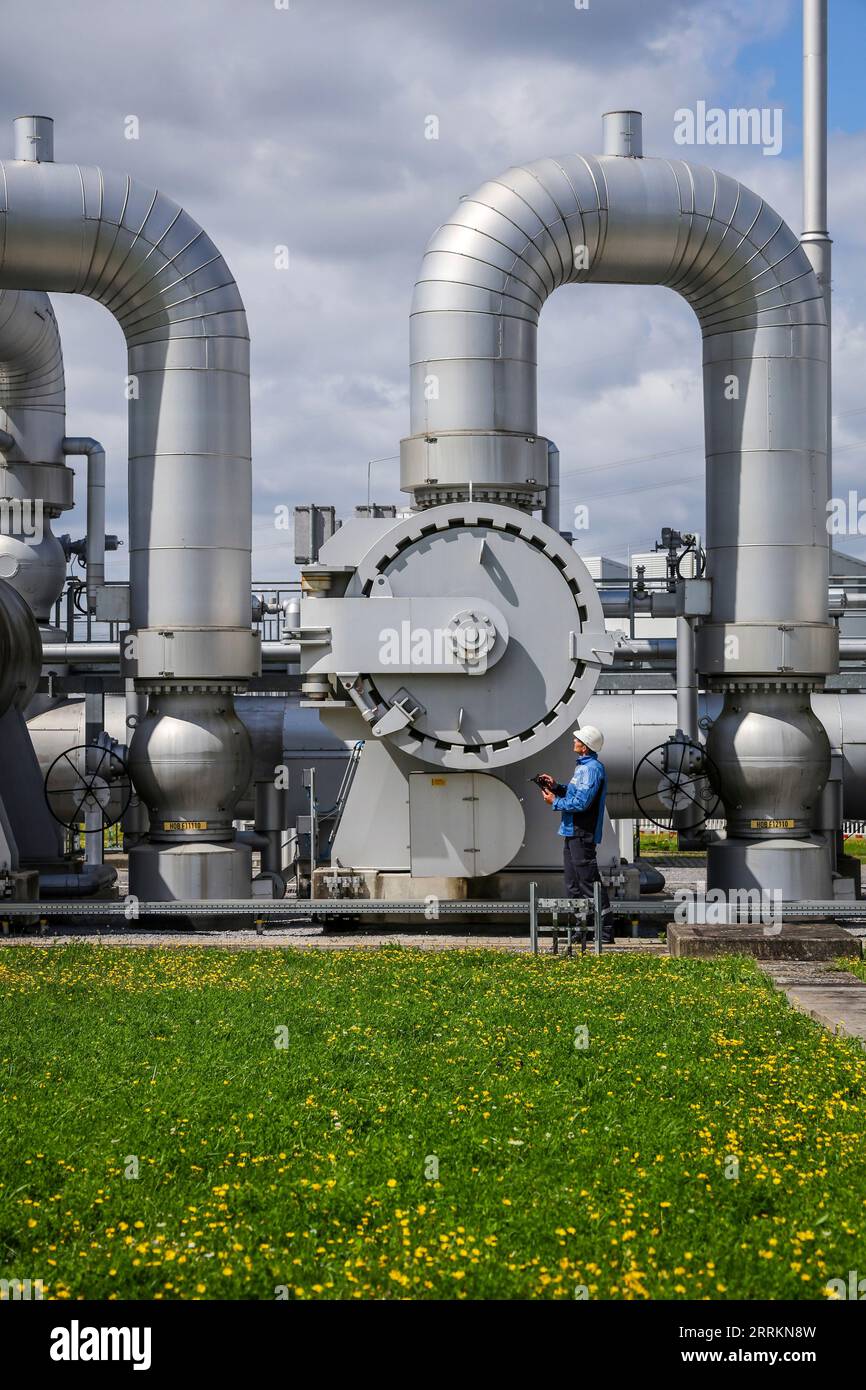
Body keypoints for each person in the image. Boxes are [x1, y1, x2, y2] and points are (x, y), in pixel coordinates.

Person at [539, 724, 614, 943]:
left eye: (578, 740)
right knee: (573, 884)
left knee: (588, 883)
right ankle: (583, 929)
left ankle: (604, 933)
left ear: (585, 746)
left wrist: (555, 801)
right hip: (572, 831)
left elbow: (582, 802)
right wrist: (557, 787)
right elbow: (576, 794)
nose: (574, 741)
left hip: (582, 832)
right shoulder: (583, 767)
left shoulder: (591, 769)